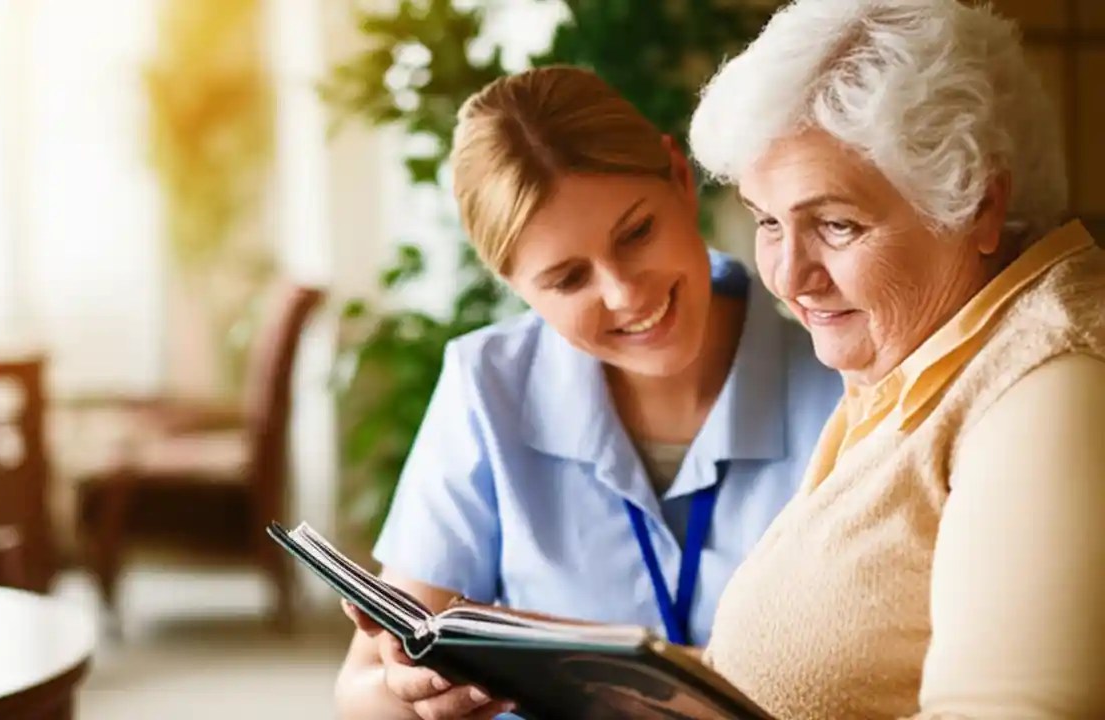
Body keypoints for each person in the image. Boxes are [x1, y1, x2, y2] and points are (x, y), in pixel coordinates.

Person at [335, 66, 843, 720]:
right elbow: (362, 689)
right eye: (569, 279)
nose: (625, 294)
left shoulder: (842, 373)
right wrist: (410, 693)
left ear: (680, 180)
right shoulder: (488, 384)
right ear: (515, 286)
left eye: (637, 234)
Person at [684, 0, 1105, 717]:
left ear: (978, 205)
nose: (788, 276)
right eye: (767, 221)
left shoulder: (1056, 383)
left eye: (836, 225)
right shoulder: (924, 352)